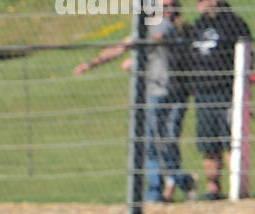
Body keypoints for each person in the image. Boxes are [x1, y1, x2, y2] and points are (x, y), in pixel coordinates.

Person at [74, 0, 195, 202]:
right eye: (164, 5)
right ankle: (157, 190)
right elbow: (119, 48)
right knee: (150, 144)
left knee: (169, 142)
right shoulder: (146, 27)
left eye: (171, 5)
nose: (168, 9)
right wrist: (90, 64)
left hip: (177, 93)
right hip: (154, 93)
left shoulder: (178, 28)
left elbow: (159, 39)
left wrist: (137, 58)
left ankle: (179, 181)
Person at [185, 0, 252, 199]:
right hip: (203, 94)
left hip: (227, 92)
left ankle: (237, 187)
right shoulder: (197, 26)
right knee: (209, 145)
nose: (201, 4)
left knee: (231, 142)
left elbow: (248, 55)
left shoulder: (234, 24)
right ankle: (213, 188)